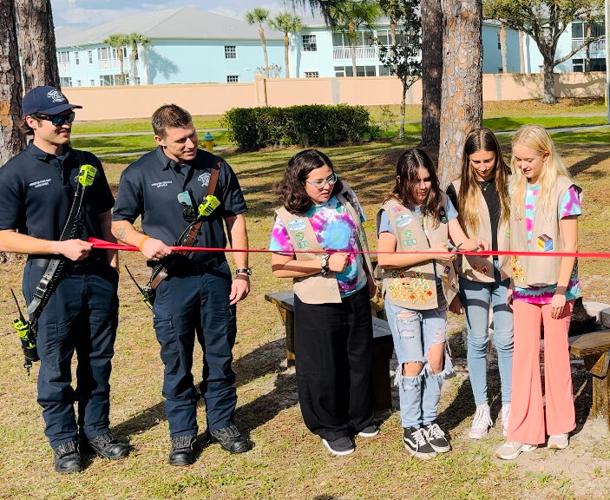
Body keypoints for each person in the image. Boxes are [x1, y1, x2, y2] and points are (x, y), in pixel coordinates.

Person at [111, 104, 253, 466]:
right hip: (171, 282)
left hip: (216, 276)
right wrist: (142, 242)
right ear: (159, 140)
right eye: (180, 140)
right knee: (176, 361)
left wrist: (242, 271)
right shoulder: (139, 173)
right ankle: (182, 434)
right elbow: (119, 224)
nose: (191, 143)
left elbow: (234, 219)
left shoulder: (217, 167)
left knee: (220, 357)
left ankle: (222, 423)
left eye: (192, 134)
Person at [0, 86, 128, 473]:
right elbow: (3, 235)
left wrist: (112, 265)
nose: (65, 123)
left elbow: (106, 217)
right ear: (31, 123)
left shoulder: (87, 161)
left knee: (98, 361)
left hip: (97, 280)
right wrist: (59, 248)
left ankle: (96, 430)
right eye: (56, 118)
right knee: (55, 364)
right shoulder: (14, 173)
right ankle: (64, 440)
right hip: (49, 282)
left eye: (68, 115)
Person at [268, 149, 378, 456]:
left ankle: (360, 415)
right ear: (300, 183)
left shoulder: (344, 199)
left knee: (358, 356)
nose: (326, 185)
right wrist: (324, 264)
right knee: (325, 365)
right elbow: (279, 265)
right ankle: (332, 426)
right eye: (318, 182)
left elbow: (359, 241)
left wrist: (368, 277)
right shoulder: (288, 217)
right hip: (318, 300)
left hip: (354, 291)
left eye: (330, 177)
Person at [377, 148, 477, 459]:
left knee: (436, 361)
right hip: (404, 297)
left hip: (437, 295)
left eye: (427, 180)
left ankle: (429, 421)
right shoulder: (390, 211)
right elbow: (385, 258)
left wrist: (476, 246)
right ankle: (411, 426)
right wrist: (432, 254)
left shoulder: (441, 204)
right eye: (416, 181)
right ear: (401, 180)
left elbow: (460, 239)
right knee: (413, 362)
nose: (423, 187)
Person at [496, 125, 582, 460]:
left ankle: (560, 425)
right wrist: (510, 281)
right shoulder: (514, 187)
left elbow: (571, 244)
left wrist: (562, 290)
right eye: (517, 160)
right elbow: (512, 238)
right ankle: (524, 431)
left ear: (545, 155)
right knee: (524, 360)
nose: (521, 165)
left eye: (527, 159)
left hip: (556, 289)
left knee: (558, 357)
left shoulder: (564, 190)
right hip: (523, 288)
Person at [445, 128, 514, 439]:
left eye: (488, 160)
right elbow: (450, 236)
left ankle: (510, 405)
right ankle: (482, 408)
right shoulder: (455, 190)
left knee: (506, 340)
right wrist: (453, 287)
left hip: (509, 274)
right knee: (476, 340)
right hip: (473, 276)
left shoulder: (514, 184)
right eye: (476, 161)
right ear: (467, 160)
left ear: (497, 156)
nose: (483, 167)